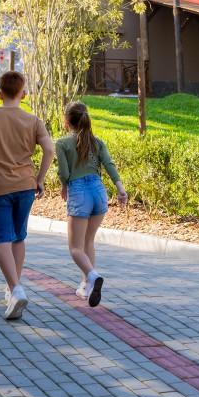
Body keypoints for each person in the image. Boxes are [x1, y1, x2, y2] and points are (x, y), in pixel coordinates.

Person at [0, 71, 54, 320]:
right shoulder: (33, 120)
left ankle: (15, 289)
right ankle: (13, 286)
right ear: (23, 93)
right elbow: (49, 150)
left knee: (2, 238)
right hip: (26, 185)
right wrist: (39, 179)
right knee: (19, 237)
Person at [56, 101, 127, 307]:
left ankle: (93, 277)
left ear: (67, 121)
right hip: (98, 192)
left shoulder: (62, 144)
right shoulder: (98, 142)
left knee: (75, 248)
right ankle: (86, 286)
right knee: (88, 241)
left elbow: (65, 173)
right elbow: (109, 165)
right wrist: (121, 189)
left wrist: (64, 186)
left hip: (79, 192)